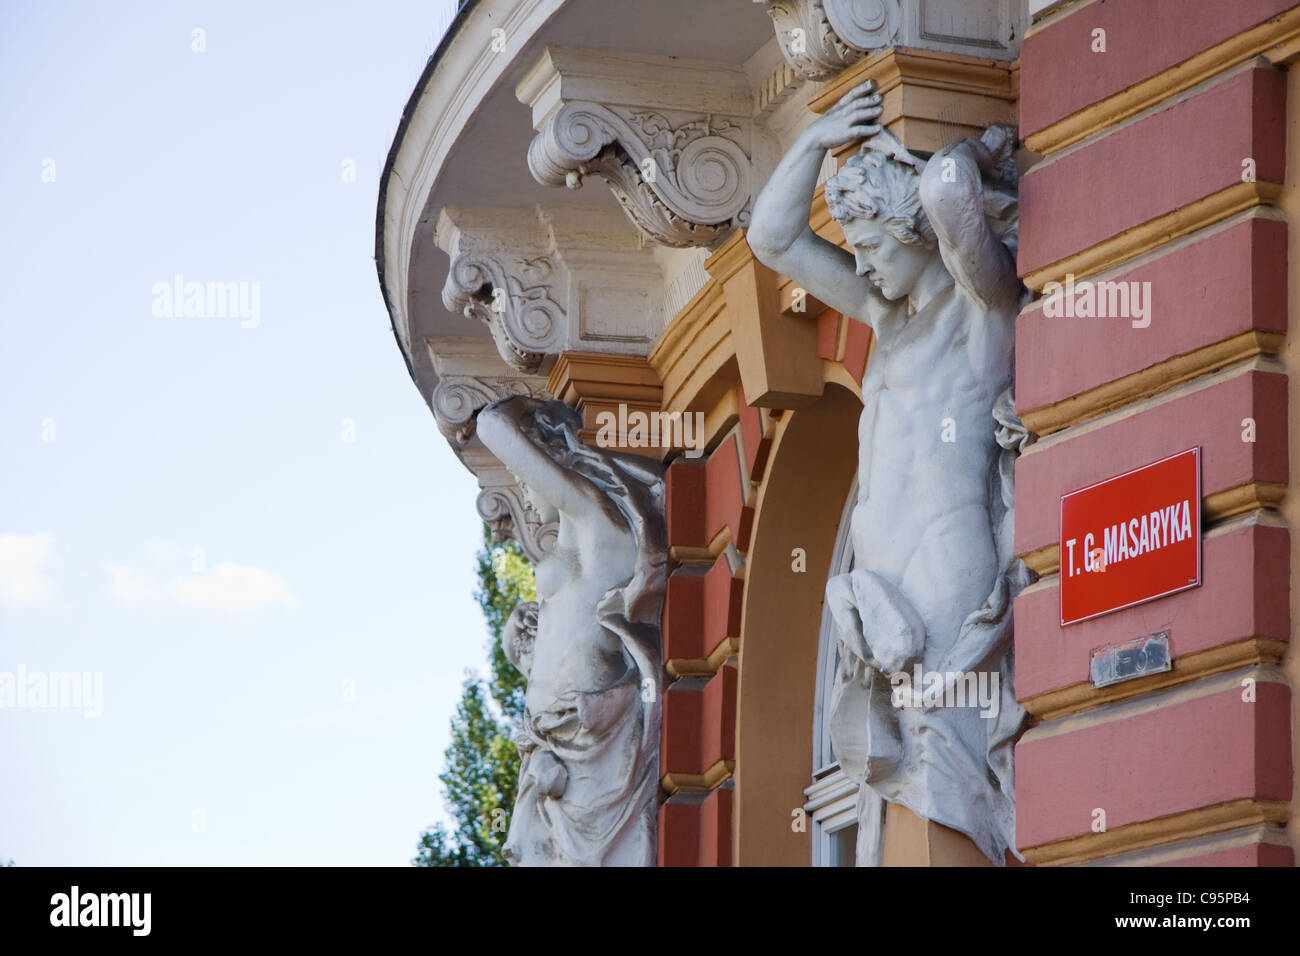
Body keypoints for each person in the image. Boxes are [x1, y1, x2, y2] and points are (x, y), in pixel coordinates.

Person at [747, 79, 1029, 865]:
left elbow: (945, 189)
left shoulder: (983, 312)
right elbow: (771, 241)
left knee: (947, 781)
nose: (861, 264)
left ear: (917, 233)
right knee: (895, 779)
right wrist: (815, 139)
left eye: (873, 244)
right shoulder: (882, 315)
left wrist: (971, 147)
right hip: (874, 592)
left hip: (945, 574)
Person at [475, 395, 666, 866]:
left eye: (526, 475)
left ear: (553, 459)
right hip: (552, 744)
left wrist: (525, 400)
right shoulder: (572, 543)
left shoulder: (601, 529)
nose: (523, 490)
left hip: (591, 742)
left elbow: (493, 425)